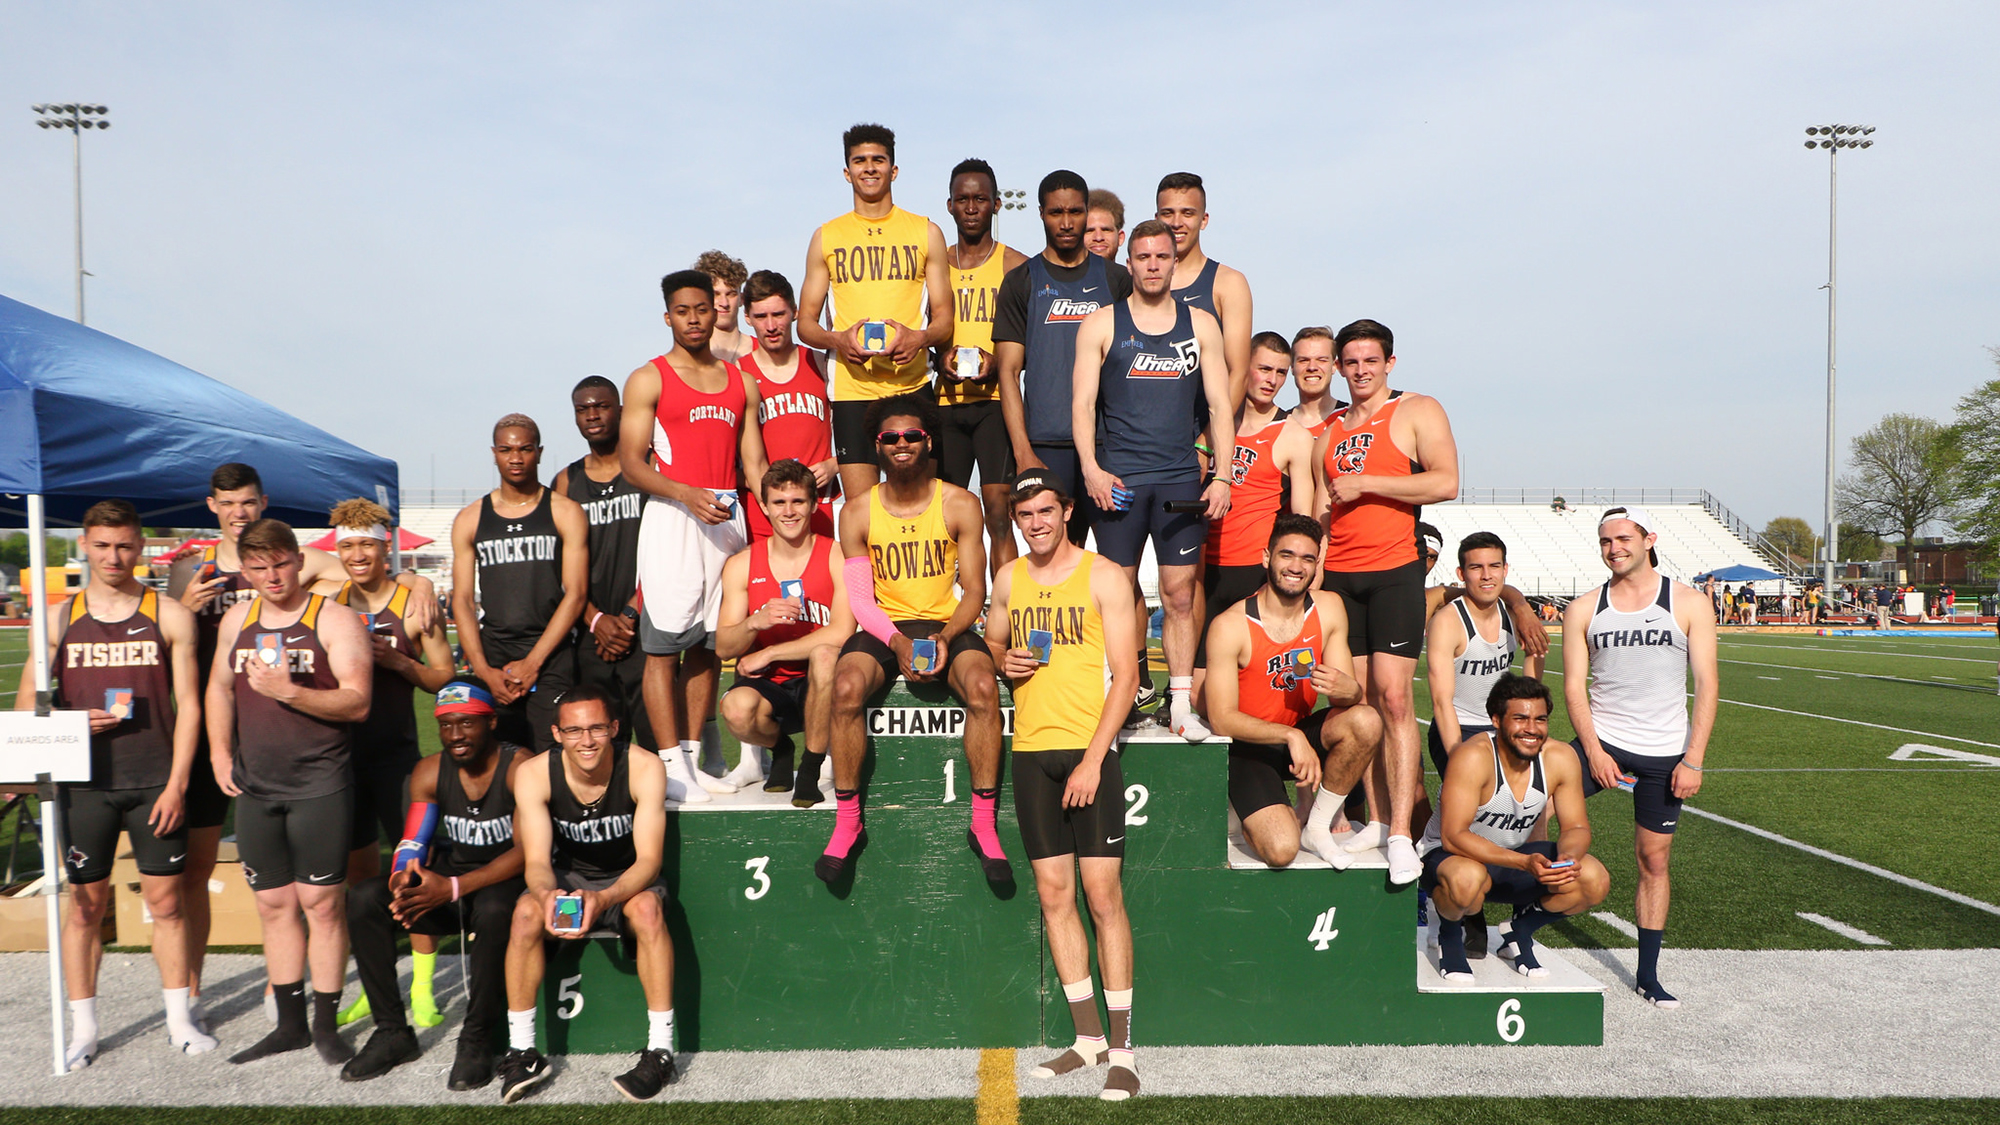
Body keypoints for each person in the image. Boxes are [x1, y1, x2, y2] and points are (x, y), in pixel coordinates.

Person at [171, 462, 434, 1016]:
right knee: (227, 878)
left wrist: (420, 578)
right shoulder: (191, 569)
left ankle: (394, 988)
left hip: (325, 741)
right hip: (234, 735)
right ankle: (191, 996)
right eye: (228, 502)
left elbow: (366, 567)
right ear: (211, 506)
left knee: (342, 885)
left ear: (262, 503)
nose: (239, 512)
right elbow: (177, 639)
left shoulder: (305, 563)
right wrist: (185, 610)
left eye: (248, 502)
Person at [16, 500, 215, 1064]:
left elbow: (191, 707)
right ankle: (84, 1027)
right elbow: (30, 705)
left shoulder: (168, 614)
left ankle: (180, 1018)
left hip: (154, 781)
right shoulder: (57, 617)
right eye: (102, 546)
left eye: (125, 545)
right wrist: (71, 722)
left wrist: (178, 784)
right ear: (84, 544)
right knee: (84, 906)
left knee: (167, 902)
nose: (114, 557)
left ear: (140, 546)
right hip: (83, 786)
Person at [984, 469, 1142, 1100]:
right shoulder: (1008, 579)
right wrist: (1003, 660)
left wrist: (1094, 760)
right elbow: (993, 640)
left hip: (1087, 755)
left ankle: (1124, 1050)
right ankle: (1086, 1039)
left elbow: (1128, 677)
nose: (1037, 523)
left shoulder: (1104, 576)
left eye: (1047, 511)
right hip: (1030, 753)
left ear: (1067, 511)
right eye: (1026, 515)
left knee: (1103, 897)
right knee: (1055, 897)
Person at [204, 518, 373, 1065]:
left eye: (280, 563)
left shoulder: (335, 618)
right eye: (258, 566)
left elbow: (356, 702)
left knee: (321, 904)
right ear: (245, 568)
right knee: (273, 904)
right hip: (256, 785)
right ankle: (290, 1024)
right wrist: (219, 751)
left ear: (299, 561)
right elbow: (218, 688)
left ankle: (325, 1024)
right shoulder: (238, 619)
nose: (271, 575)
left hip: (318, 783)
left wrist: (289, 692)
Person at [821, 394, 1006, 884]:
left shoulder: (960, 503)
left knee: (985, 691)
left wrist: (946, 636)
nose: (901, 444)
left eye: (911, 436)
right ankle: (847, 823)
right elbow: (862, 602)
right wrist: (898, 642)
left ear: (928, 442)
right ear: (877, 447)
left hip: (948, 623)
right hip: (886, 627)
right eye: (889, 438)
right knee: (843, 690)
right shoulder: (857, 512)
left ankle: (983, 825)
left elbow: (974, 591)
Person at [1308, 318, 1461, 885]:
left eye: (1371, 360)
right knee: (1358, 706)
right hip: (1340, 579)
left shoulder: (1417, 409)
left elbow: (1445, 482)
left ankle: (1401, 833)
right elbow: (1324, 513)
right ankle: (1375, 820)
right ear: (1339, 367)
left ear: (1389, 363)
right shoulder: (1328, 431)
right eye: (1350, 362)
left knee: (1395, 701)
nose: (1361, 371)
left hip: (1394, 570)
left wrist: (1371, 483)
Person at [1074, 218, 1234, 740]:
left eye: (1161, 257)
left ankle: (1181, 703)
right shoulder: (1101, 323)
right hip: (1118, 481)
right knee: (1116, 591)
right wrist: (1091, 470)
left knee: (1180, 593)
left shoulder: (1202, 324)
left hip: (1179, 480)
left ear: (1173, 260)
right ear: (1130, 262)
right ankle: (1113, 693)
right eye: (1142, 257)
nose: (1151, 266)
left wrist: (1224, 476)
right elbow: (1082, 405)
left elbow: (1218, 405)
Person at [618, 270, 771, 802]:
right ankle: (669, 764)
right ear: (668, 316)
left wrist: (773, 514)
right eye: (682, 310)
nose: (693, 318)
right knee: (664, 648)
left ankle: (690, 759)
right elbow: (630, 463)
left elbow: (753, 462)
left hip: (726, 522)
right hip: (673, 519)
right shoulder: (649, 378)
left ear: (716, 311)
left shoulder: (740, 380)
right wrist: (684, 494)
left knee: (709, 647)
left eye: (702, 308)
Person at [1563, 506, 1719, 1008]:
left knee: (1653, 860)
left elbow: (1708, 686)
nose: (1615, 549)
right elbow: (1572, 688)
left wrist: (1692, 759)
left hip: (1664, 753)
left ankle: (1648, 975)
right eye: (1606, 541)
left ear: (1649, 539)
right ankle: (1521, 927)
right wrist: (1593, 750)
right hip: (1602, 740)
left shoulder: (1689, 602)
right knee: (1530, 809)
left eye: (1624, 539)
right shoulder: (1584, 606)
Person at [341, 680, 527, 1088]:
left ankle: (477, 1037)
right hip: (451, 883)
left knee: (495, 908)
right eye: (446, 725)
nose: (455, 735)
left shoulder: (519, 767)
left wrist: (454, 888)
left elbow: (527, 853)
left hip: (505, 881)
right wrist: (403, 878)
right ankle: (392, 1031)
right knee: (366, 898)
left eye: (466, 723)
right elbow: (413, 840)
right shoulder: (428, 770)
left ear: (491, 721)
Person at [497, 686, 676, 1103]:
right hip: (570, 876)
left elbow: (649, 861)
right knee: (524, 914)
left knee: (648, 911)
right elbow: (538, 861)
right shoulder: (534, 772)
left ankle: (661, 1051)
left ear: (614, 728)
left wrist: (605, 898)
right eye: (575, 731)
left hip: (628, 878)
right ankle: (523, 1050)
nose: (587, 740)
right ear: (557, 734)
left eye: (597, 728)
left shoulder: (644, 767)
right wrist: (546, 897)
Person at [318, 498, 455, 1029]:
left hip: (397, 760)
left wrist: (397, 661)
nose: (357, 555)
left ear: (385, 547)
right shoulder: (326, 604)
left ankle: (422, 988)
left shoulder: (412, 602)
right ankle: (377, 988)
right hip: (340, 760)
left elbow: (444, 675)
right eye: (348, 545)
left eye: (367, 545)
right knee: (359, 882)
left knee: (412, 874)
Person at [1205, 514, 1384, 868]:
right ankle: (1249, 811)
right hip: (1248, 747)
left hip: (1298, 737)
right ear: (1266, 557)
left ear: (1317, 565)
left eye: (1307, 559)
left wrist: (1351, 688)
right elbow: (1222, 720)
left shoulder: (1329, 607)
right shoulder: (1230, 626)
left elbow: (1343, 698)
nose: (1296, 567)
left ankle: (1317, 825)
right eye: (1287, 555)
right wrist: (1289, 736)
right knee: (1282, 850)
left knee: (1365, 719)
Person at [798, 123, 954, 505]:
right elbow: (804, 322)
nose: (869, 168)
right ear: (847, 172)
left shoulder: (925, 231)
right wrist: (838, 340)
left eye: (878, 160)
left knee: (921, 508)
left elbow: (946, 320)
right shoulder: (827, 235)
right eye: (860, 161)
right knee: (861, 512)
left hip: (912, 385)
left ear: (894, 170)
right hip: (853, 390)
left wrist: (919, 338)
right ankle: (859, 571)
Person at [1422, 674, 1610, 982]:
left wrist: (1568, 858)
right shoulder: (1471, 757)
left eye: (1540, 719)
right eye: (1520, 718)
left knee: (1593, 879)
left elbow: (1576, 826)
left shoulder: (1560, 757)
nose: (1532, 729)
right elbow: (1453, 836)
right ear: (1496, 720)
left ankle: (1519, 930)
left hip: (1511, 858)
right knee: (1468, 880)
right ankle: (1449, 931)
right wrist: (1523, 862)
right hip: (1451, 858)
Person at [994, 169, 1134, 549]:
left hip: (1108, 446)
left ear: (1088, 212)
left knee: (1120, 566)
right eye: (1057, 213)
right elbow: (1007, 372)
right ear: (1041, 213)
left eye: (1076, 212)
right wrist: (1023, 453)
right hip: (1045, 447)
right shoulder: (1022, 280)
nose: (1067, 222)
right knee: (1053, 562)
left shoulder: (1118, 280)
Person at [713, 459, 856, 794]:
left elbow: (842, 632)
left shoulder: (837, 555)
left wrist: (771, 652)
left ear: (814, 503)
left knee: (824, 654)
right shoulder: (741, 564)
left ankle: (811, 765)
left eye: (798, 502)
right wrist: (754, 622)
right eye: (779, 502)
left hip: (823, 684)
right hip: (772, 686)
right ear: (764, 506)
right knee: (735, 709)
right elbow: (724, 646)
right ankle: (780, 748)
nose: (788, 512)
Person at [450, 414, 589, 756]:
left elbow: (576, 594)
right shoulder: (470, 518)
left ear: (539, 452)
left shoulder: (564, 511)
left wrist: (533, 663)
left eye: (525, 449)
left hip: (551, 653)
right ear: (494, 453)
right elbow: (463, 601)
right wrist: (483, 669)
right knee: (500, 760)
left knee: (551, 756)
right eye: (506, 449)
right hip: (494, 654)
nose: (515, 458)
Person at [1197, 333, 1314, 695]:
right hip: (1202, 564)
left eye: (1280, 372)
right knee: (1199, 688)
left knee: (1253, 684)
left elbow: (1303, 522)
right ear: (1243, 366)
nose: (1271, 380)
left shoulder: (1293, 434)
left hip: (1253, 570)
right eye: (1264, 369)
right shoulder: (1211, 422)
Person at [934, 158, 1029, 576]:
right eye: (963, 199)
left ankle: (1003, 617)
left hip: (995, 403)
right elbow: (915, 326)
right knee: (944, 516)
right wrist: (936, 358)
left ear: (996, 206)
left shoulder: (1016, 265)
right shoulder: (931, 265)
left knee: (998, 511)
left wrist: (1006, 361)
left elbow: (1036, 339)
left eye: (980, 199)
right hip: (943, 402)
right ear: (950, 206)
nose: (971, 207)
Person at [553, 377, 652, 754]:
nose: (592, 415)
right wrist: (596, 621)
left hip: (643, 626)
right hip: (590, 631)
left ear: (622, 411)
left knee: (655, 744)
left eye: (602, 406)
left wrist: (629, 614)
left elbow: (666, 551)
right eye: (583, 409)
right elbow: (559, 567)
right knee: (600, 742)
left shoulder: (648, 467)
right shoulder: (566, 481)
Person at [1425, 532, 1544, 778]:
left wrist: (1526, 725)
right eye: (1476, 567)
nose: (1487, 575)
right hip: (1460, 726)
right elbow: (1441, 701)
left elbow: (1532, 681)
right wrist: (1458, 754)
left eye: (1494, 566)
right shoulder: (1447, 622)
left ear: (1505, 569)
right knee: (1474, 803)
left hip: (1504, 725)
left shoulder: (1514, 613)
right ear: (1461, 574)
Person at [737, 270, 837, 543]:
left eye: (778, 315)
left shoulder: (821, 363)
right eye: (760, 317)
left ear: (794, 312)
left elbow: (858, 425)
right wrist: (769, 503)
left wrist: (836, 464)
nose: (770, 326)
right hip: (763, 508)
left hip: (819, 503)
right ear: (747, 318)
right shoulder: (738, 374)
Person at [1154, 172, 1254, 406]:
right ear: (1157, 218)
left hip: (1202, 432)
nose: (1177, 222)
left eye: (1188, 213)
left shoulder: (1228, 283)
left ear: (1204, 219)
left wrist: (1208, 439)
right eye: (1168, 213)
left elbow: (1238, 374)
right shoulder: (1136, 282)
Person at [693, 249, 754, 362]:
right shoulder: (691, 355)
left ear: (742, 299)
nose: (724, 303)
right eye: (716, 294)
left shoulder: (762, 351)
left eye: (731, 294)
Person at [1286, 326, 1346, 440]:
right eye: (1303, 360)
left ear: (1334, 366)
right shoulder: (1280, 425)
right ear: (1292, 367)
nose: (1312, 367)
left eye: (1321, 360)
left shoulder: (1350, 418)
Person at [1084, 188, 1125, 261]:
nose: (1098, 238)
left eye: (1106, 230)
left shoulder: (1127, 272)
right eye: (1089, 231)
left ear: (1120, 238)